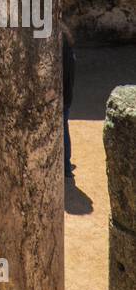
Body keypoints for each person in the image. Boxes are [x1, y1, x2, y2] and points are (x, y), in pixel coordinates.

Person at [63, 27, 76, 178]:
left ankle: (65, 166)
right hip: (66, 95)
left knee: (62, 127)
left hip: (61, 96)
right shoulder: (68, 47)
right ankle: (66, 165)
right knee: (63, 126)